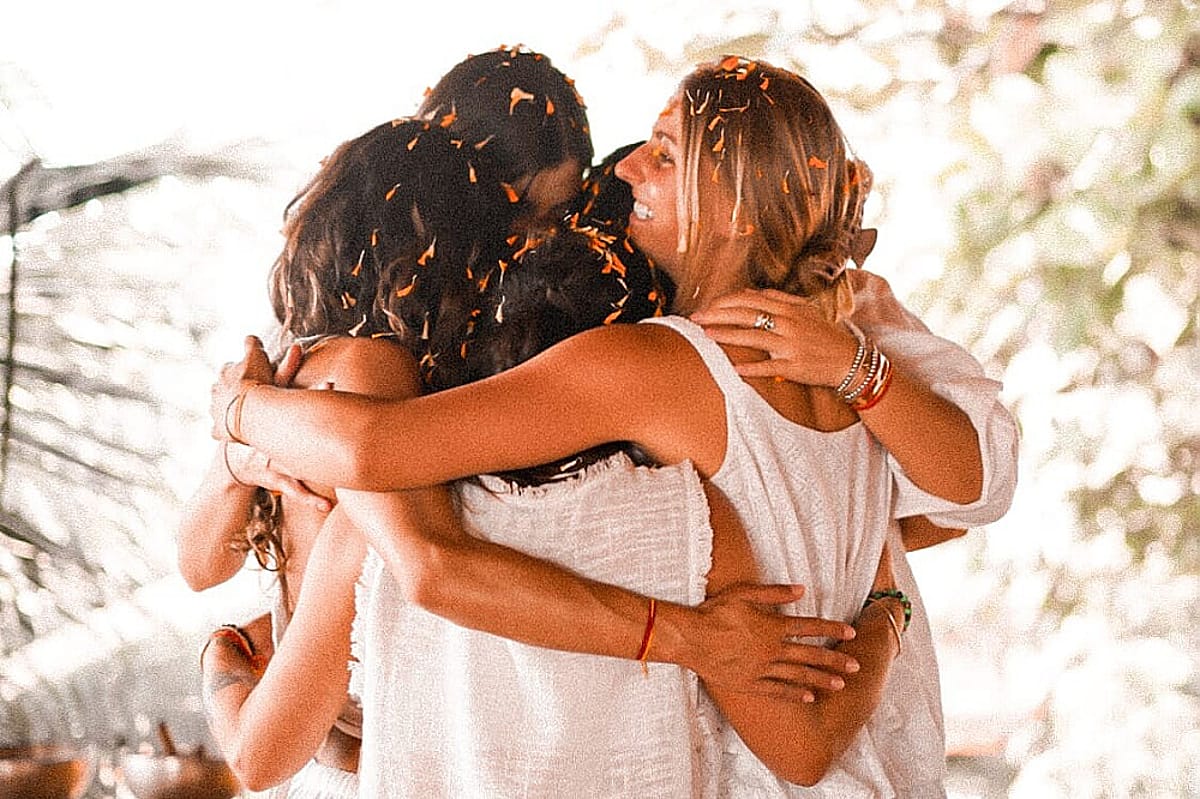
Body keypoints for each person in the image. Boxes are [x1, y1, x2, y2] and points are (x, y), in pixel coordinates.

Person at [209, 56, 1018, 796]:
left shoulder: (647, 369)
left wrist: (240, 408)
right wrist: (885, 610)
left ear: (735, 210)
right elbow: (958, 498)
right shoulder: (845, 359)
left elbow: (378, 449)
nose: (627, 166)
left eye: (663, 154)